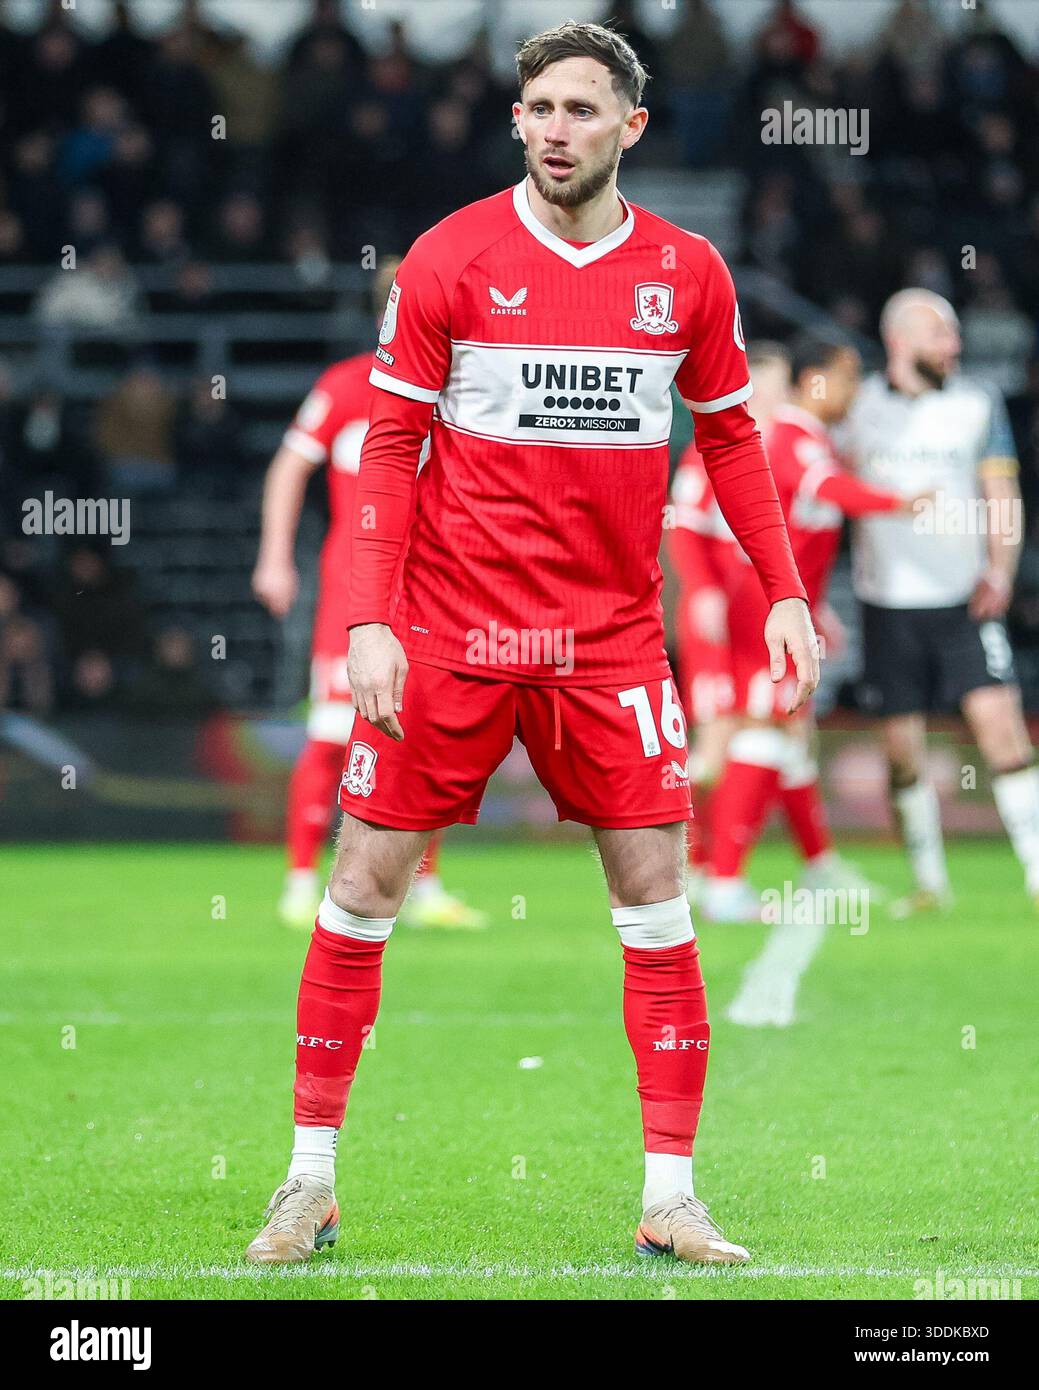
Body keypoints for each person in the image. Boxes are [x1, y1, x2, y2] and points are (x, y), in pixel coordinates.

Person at [245, 20, 818, 1269]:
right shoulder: (450, 256)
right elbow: (387, 449)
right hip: (449, 629)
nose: (555, 128)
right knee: (360, 888)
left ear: (631, 126)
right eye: (538, 109)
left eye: (579, 109)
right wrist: (368, 623)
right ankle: (307, 1182)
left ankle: (670, 1193)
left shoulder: (687, 272)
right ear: (519, 121)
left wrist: (779, 588)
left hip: (611, 642)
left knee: (656, 899)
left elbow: (730, 440)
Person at [252, 258, 485, 932]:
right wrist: (275, 557)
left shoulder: (457, 393)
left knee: (428, 740)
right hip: (354, 592)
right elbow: (288, 465)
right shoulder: (346, 385)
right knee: (330, 736)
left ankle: (426, 887)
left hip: (437, 593)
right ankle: (300, 881)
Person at [702, 337, 923, 924]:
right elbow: (830, 492)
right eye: (846, 378)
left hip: (781, 604)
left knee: (795, 742)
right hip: (759, 607)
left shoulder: (811, 439)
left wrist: (816, 610)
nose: (853, 390)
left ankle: (818, 864)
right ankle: (720, 880)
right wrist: (902, 502)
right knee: (766, 731)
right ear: (813, 380)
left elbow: (803, 530)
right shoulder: (792, 439)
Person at [845, 289, 1039, 913]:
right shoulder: (861, 406)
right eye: (941, 335)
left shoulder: (976, 404)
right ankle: (929, 884)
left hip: (963, 600)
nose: (954, 346)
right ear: (900, 340)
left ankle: (1036, 872)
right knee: (902, 752)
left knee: (1003, 731)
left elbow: (1001, 492)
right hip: (886, 603)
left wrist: (1001, 571)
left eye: (954, 335)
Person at [667, 342, 791, 902]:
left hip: (756, 623)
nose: (783, 398)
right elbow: (684, 527)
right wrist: (703, 589)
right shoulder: (707, 452)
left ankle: (706, 871)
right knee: (720, 744)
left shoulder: (772, 451)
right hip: (717, 625)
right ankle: (696, 869)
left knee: (756, 736)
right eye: (775, 386)